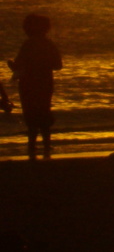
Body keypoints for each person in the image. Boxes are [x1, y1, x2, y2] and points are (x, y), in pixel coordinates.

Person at [8, 13, 63, 160]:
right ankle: (46, 146)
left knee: (31, 114)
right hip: (45, 82)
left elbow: (18, 65)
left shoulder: (29, 44)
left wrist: (12, 66)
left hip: (29, 83)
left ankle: (32, 146)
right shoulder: (49, 44)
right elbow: (58, 65)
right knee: (43, 111)